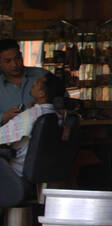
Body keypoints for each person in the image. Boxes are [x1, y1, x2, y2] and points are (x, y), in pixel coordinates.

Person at [0, 73, 69, 207]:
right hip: (38, 175)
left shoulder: (30, 116)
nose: (33, 84)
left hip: (16, 174)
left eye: (37, 83)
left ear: (42, 93)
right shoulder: (55, 116)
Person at [0, 39, 45, 125]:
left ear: (21, 55)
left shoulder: (41, 76)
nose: (14, 64)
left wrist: (44, 106)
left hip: (42, 135)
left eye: (17, 58)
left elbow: (64, 103)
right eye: (8, 61)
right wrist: (3, 117)